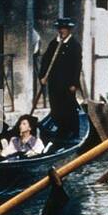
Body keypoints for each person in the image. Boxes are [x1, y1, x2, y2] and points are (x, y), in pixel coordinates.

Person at [39, 17, 82, 146]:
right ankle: (61, 130)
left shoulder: (74, 45)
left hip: (68, 84)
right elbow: (45, 60)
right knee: (56, 106)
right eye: (60, 29)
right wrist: (42, 76)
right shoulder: (54, 44)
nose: (61, 31)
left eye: (64, 29)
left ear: (68, 30)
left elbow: (77, 65)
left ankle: (73, 131)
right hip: (54, 82)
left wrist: (74, 83)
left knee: (68, 106)